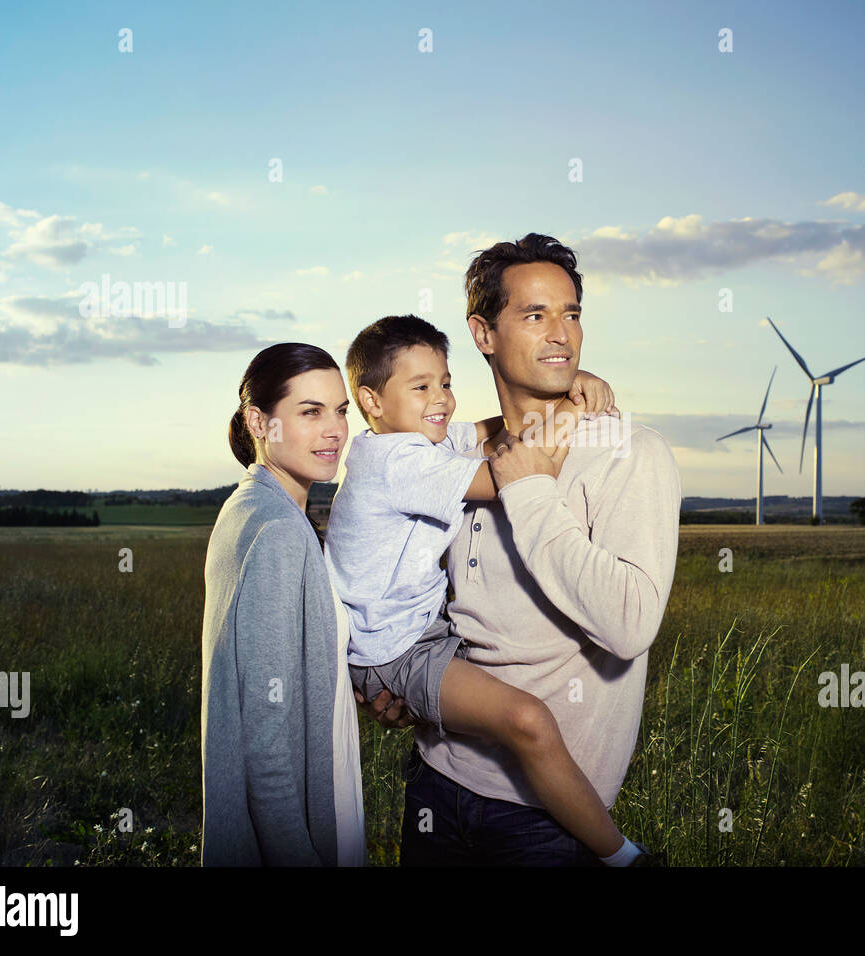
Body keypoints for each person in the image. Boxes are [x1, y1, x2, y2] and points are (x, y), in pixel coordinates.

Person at [357, 233, 681, 866]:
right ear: (483, 333)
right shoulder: (448, 456)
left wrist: (528, 488)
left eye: (572, 314)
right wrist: (400, 687)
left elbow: (629, 624)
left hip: (549, 818)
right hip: (436, 778)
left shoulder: (632, 454)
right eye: (535, 315)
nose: (561, 333)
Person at [200, 343, 365, 866]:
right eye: (310, 412)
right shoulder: (275, 530)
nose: (335, 430)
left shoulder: (249, 504)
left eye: (340, 411)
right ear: (259, 422)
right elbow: (263, 742)